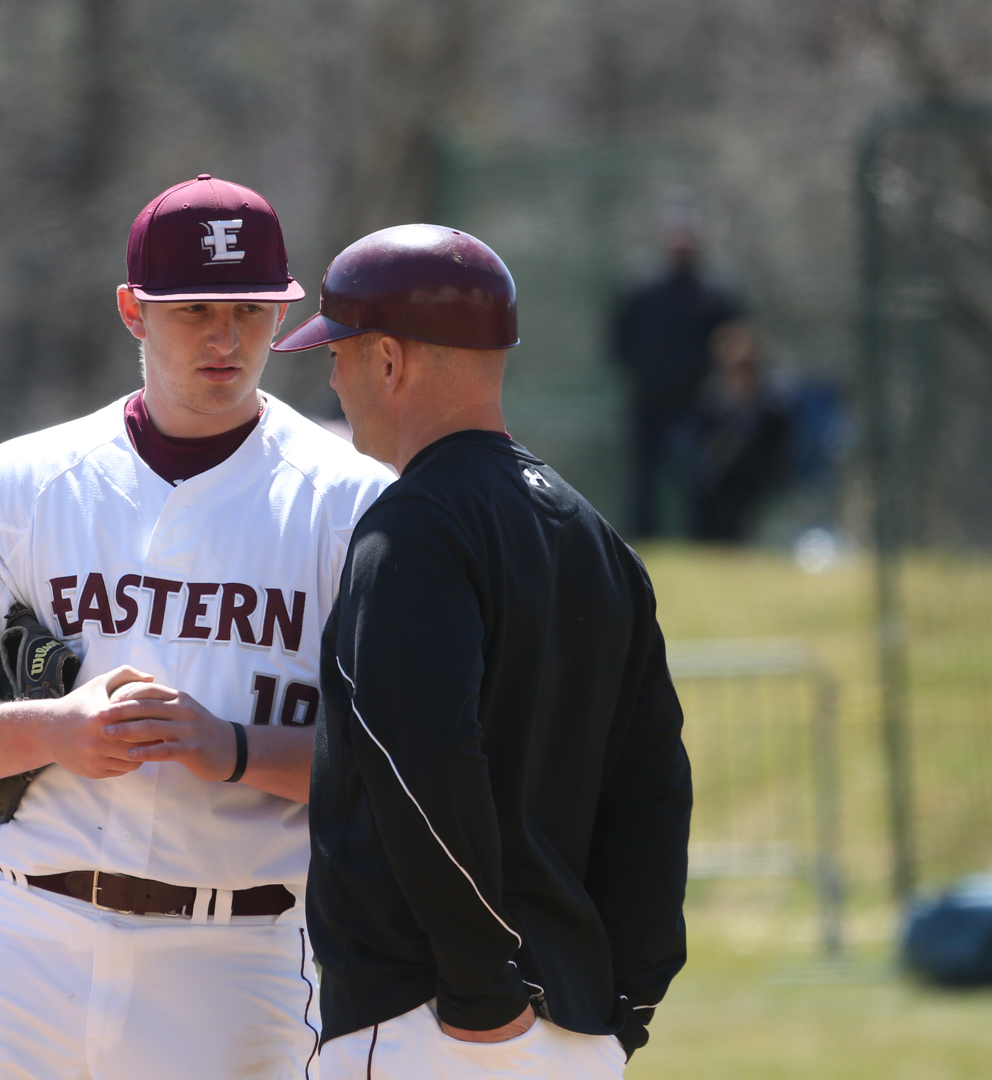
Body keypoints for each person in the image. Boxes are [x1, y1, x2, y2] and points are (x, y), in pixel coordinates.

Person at [0, 174, 394, 1079]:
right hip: (30, 943)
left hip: (244, 952)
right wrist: (45, 729)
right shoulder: (23, 482)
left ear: (286, 311)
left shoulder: (353, 502)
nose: (225, 337)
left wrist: (229, 746)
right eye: (193, 307)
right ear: (131, 310)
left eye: (250, 308)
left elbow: (399, 764)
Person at [272, 225, 692, 1078]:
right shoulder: (594, 536)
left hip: (440, 1023)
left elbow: (421, 763)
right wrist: (630, 1001)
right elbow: (653, 789)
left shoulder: (410, 530)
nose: (331, 373)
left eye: (340, 350)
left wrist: (482, 986)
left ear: (389, 361)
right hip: (576, 1032)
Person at [610, 207, 743, 538]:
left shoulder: (713, 293)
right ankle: (642, 540)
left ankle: (706, 539)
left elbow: (736, 340)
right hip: (648, 399)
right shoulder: (641, 289)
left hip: (696, 402)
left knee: (699, 475)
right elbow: (619, 337)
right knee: (644, 477)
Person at [690, 321, 790, 542]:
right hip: (720, 480)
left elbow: (778, 454)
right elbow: (700, 447)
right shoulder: (711, 405)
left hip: (758, 479)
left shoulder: (773, 410)